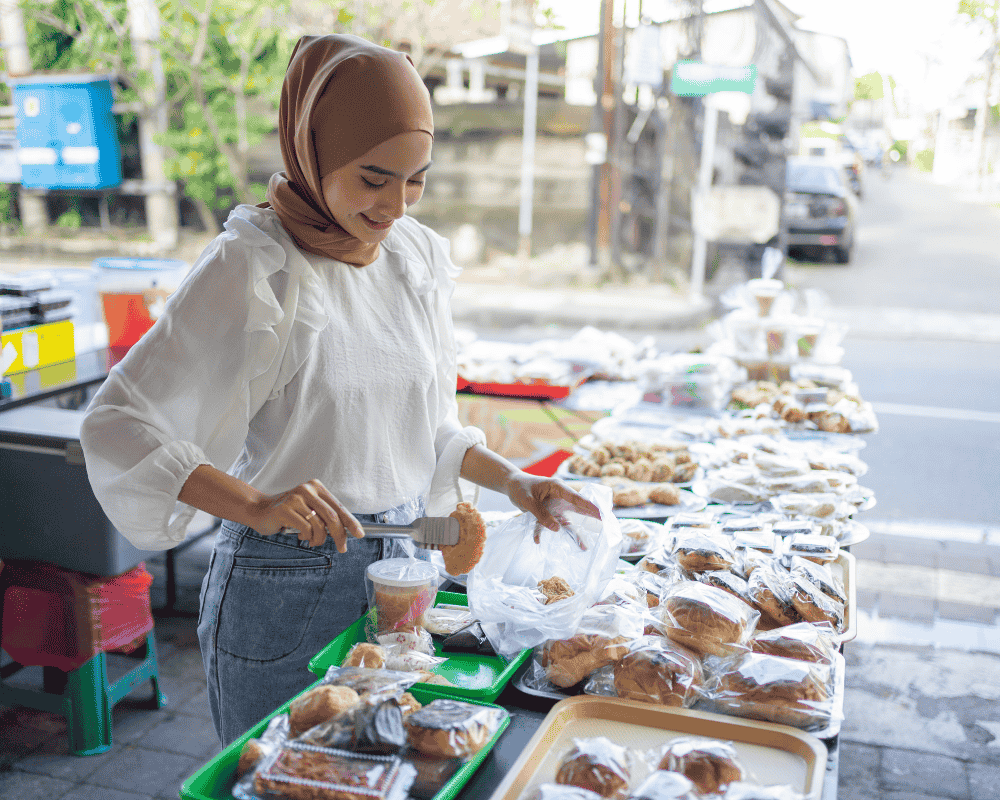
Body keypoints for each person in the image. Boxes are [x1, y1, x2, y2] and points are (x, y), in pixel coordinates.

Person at [80, 33, 601, 745]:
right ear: (312, 148)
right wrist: (255, 503)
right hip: (282, 583)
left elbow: (424, 426)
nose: (395, 205)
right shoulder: (256, 265)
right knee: (289, 778)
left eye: (416, 178)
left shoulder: (410, 256)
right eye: (374, 177)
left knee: (387, 774)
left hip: (403, 568)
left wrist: (515, 483)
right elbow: (117, 423)